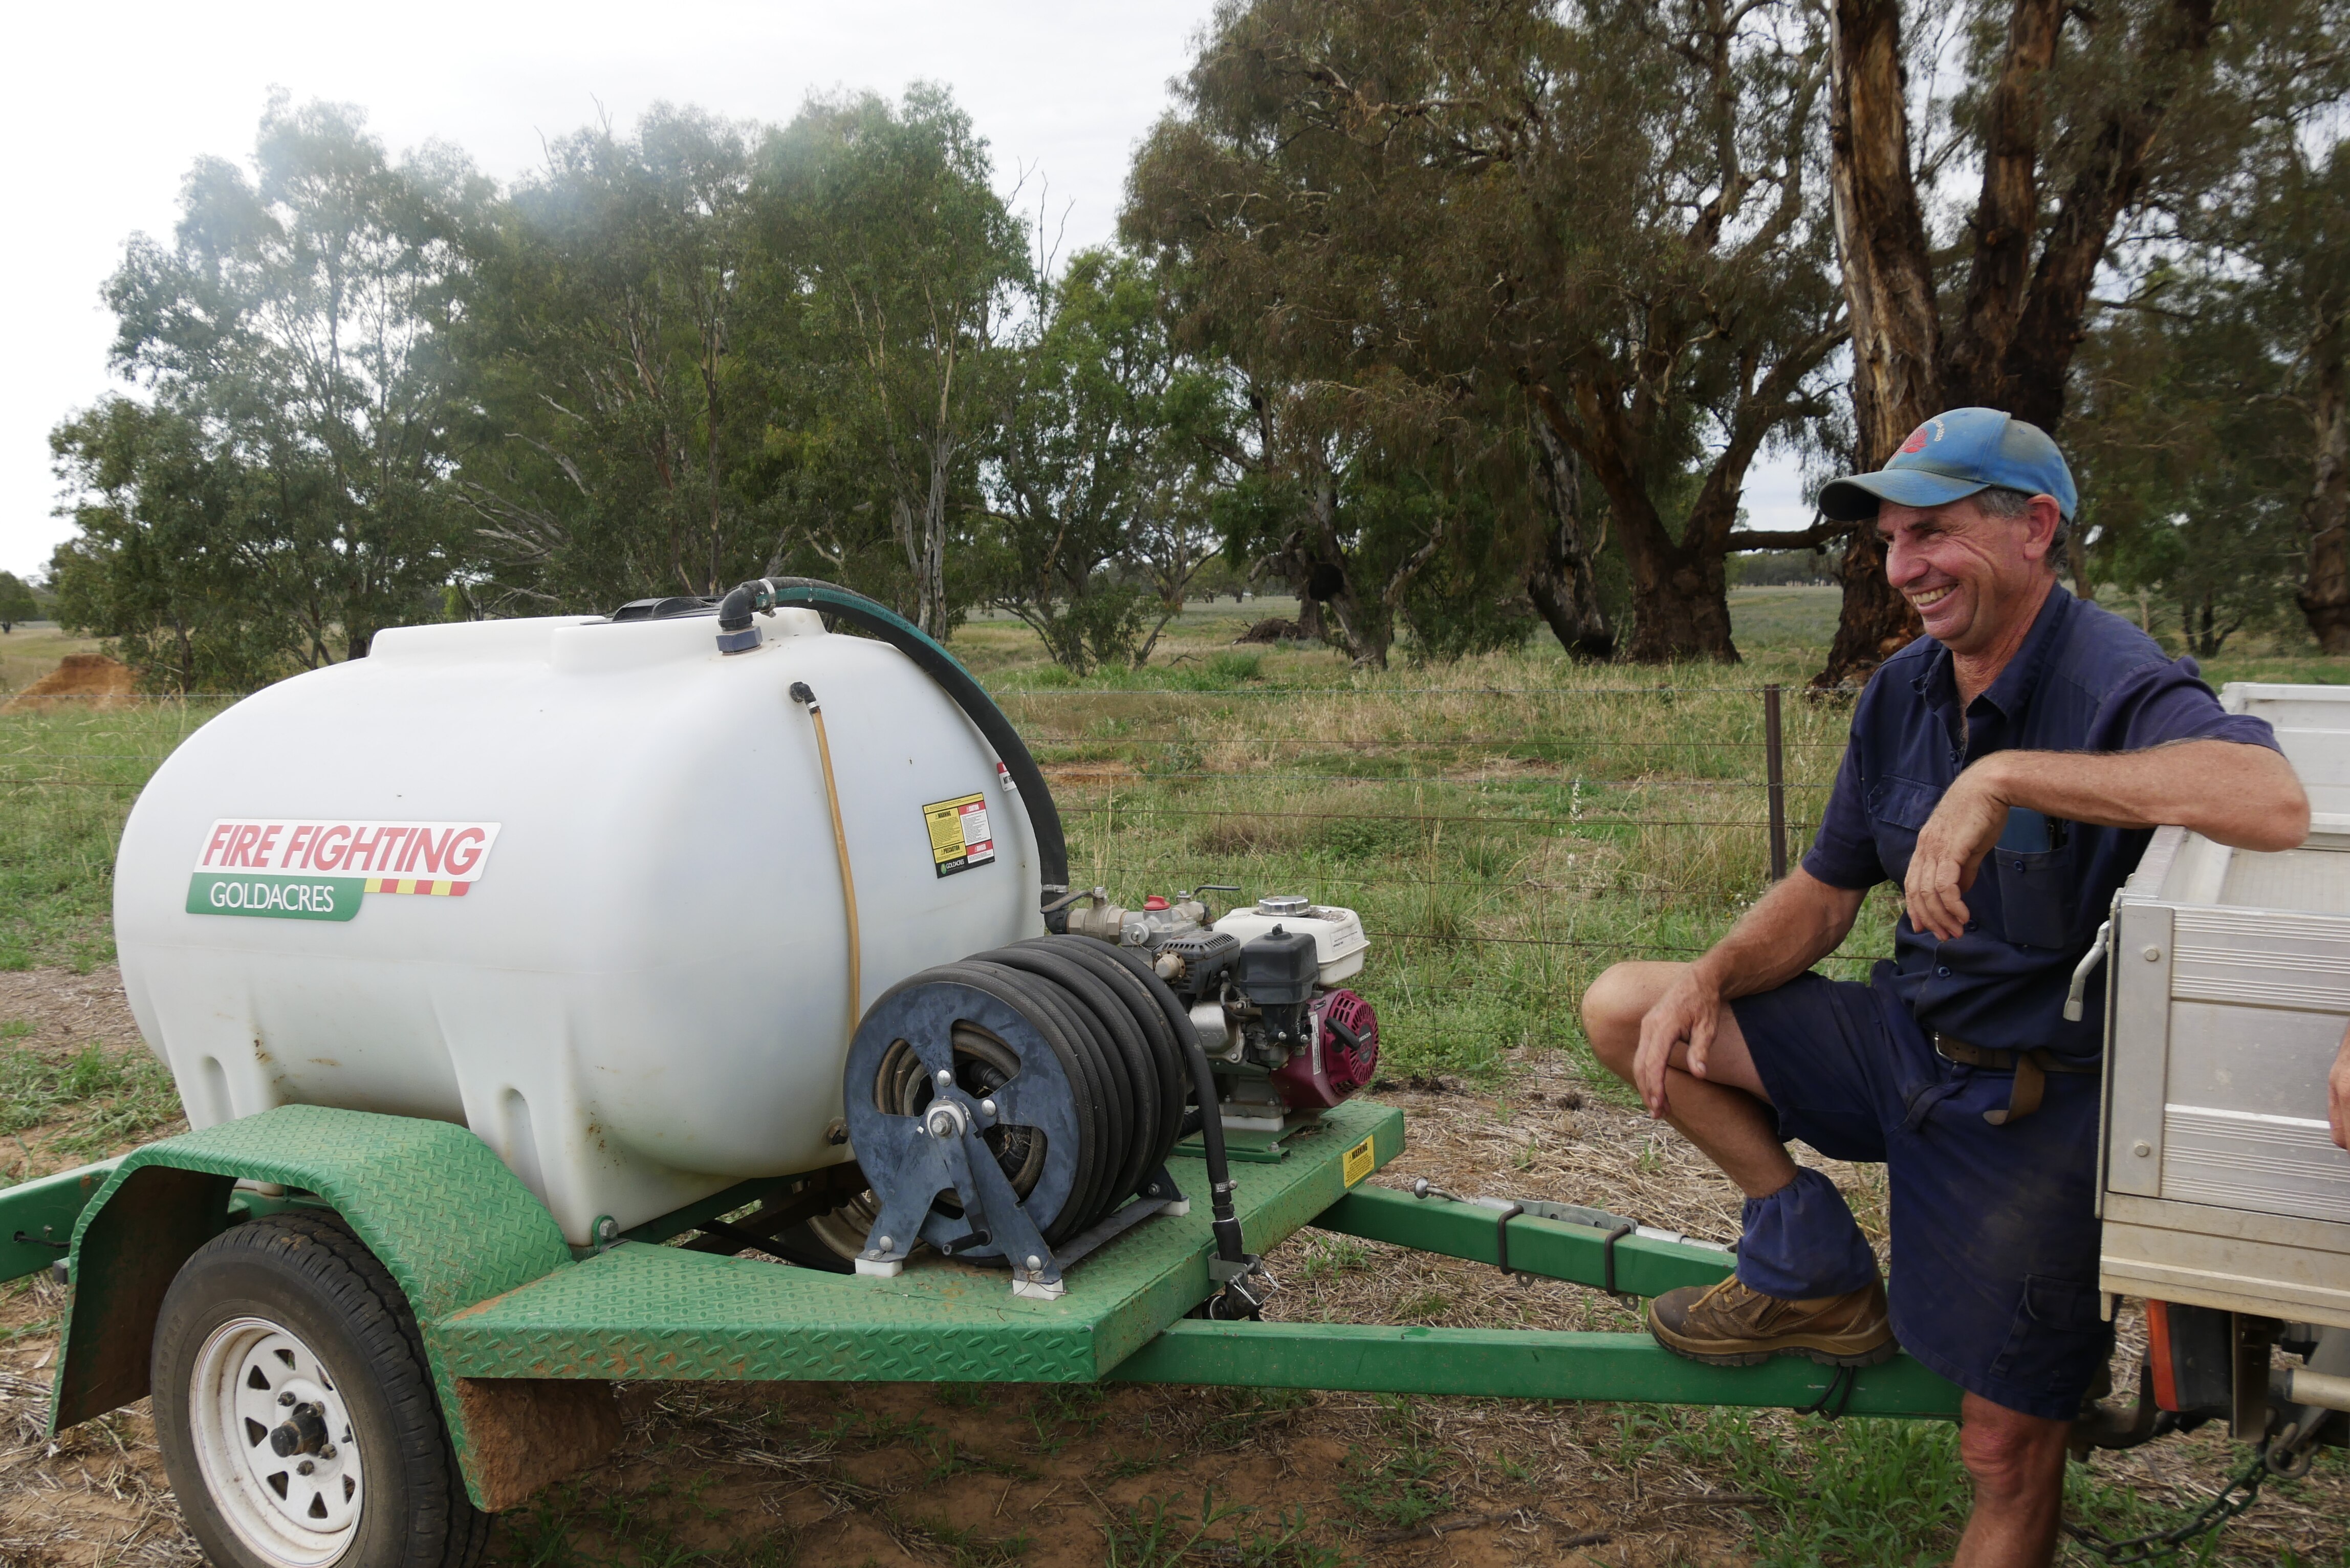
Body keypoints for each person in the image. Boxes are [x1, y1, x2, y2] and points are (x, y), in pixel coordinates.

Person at [1580, 407, 2310, 1568]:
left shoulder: (2111, 676)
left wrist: (2009, 775)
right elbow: (1826, 895)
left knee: (2003, 1450)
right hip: (1898, 1044)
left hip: (2029, 1108)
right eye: (1886, 540)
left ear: (2034, 527)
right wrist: (1709, 978)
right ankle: (1809, 1262)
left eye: (1932, 531)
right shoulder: (1902, 690)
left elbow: (2269, 799)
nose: (1903, 566)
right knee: (1631, 1005)